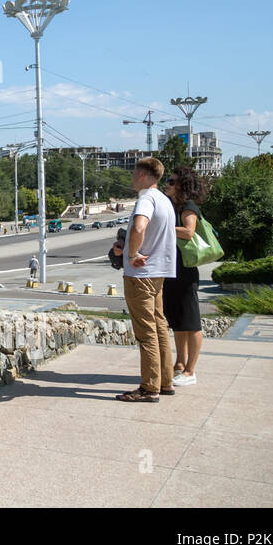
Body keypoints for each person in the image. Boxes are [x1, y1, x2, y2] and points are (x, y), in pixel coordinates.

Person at [112, 156, 176, 402]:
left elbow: (139, 227)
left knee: (146, 331)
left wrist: (131, 253)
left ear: (142, 174)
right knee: (159, 326)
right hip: (159, 273)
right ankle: (165, 381)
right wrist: (128, 246)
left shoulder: (146, 198)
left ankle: (150, 388)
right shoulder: (164, 200)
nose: (131, 177)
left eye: (134, 172)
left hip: (141, 275)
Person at [163, 167, 207, 386]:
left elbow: (189, 232)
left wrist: (164, 227)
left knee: (191, 322)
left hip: (186, 271)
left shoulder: (189, 207)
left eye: (171, 181)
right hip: (173, 270)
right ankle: (179, 364)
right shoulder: (173, 206)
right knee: (178, 321)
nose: (167, 184)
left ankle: (191, 371)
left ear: (183, 185)